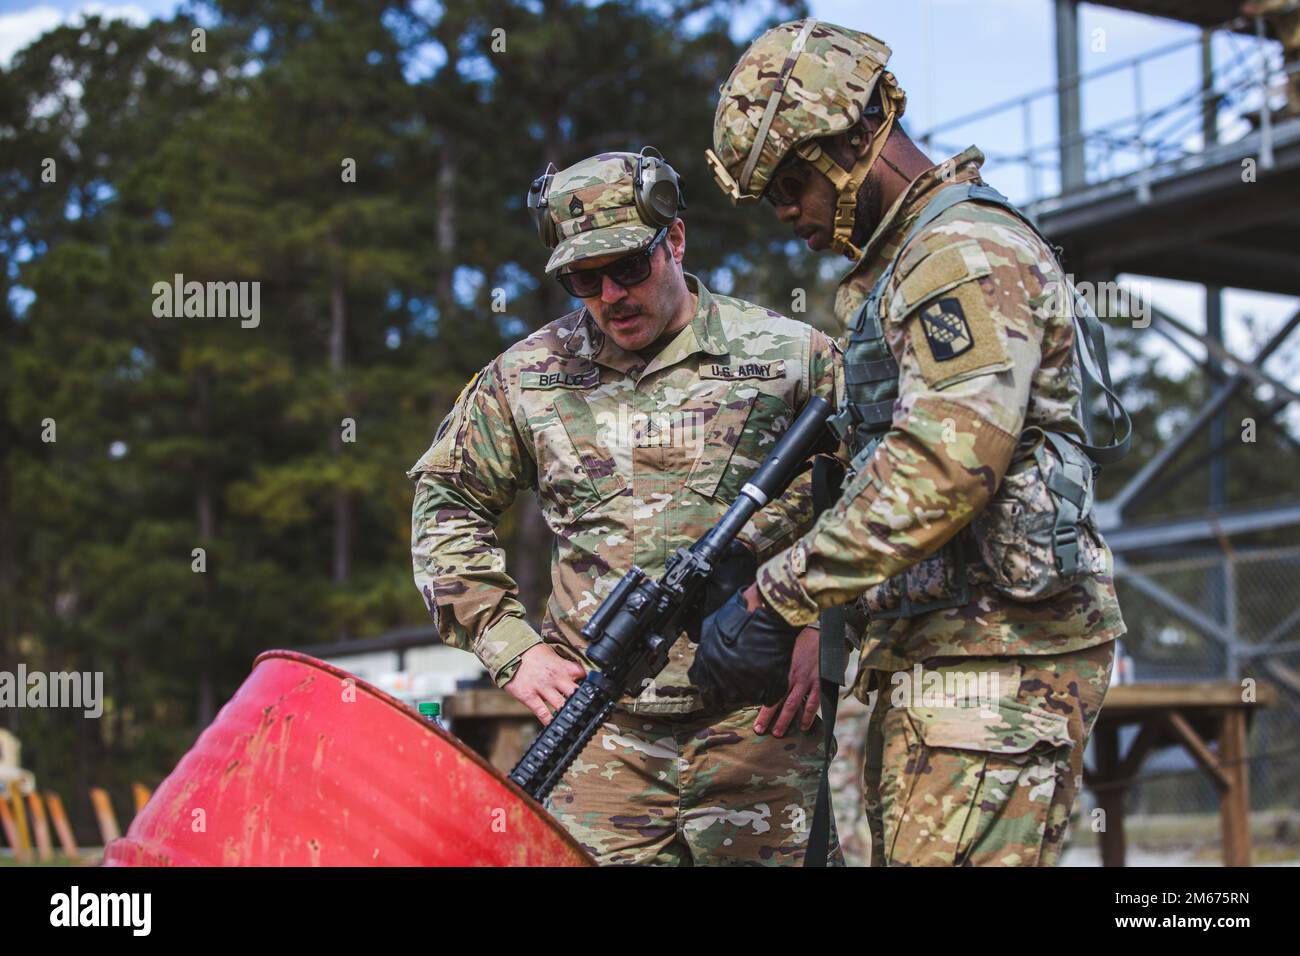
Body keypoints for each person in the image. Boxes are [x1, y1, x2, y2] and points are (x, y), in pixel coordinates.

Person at [692, 19, 1130, 867]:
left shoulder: (958, 254)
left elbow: (943, 469)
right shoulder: (909, 264)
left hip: (997, 663)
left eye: (790, 183)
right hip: (945, 654)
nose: (787, 214)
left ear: (857, 137)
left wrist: (779, 594)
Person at [409, 150, 843, 865]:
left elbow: (892, 493)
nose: (611, 295)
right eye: (586, 278)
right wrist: (511, 647)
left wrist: (830, 626)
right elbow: (445, 499)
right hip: (601, 742)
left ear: (674, 240)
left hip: (760, 734)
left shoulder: (790, 358)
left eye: (629, 267)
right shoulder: (529, 376)